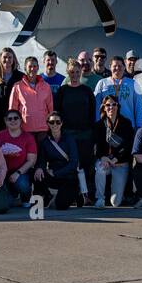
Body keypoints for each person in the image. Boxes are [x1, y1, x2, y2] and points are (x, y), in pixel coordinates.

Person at [56, 58, 96, 205]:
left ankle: (87, 195)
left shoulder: (86, 91)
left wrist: (92, 134)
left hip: (85, 134)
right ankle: (72, 195)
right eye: (72, 72)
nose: (74, 75)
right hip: (67, 134)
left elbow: (92, 114)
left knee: (86, 166)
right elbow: (57, 113)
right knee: (72, 166)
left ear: (81, 73)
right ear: (67, 72)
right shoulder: (62, 91)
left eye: (77, 72)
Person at [93, 95, 135, 208]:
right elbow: (96, 145)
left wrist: (116, 158)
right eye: (108, 105)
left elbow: (128, 145)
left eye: (113, 104)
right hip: (105, 161)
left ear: (118, 106)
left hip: (120, 163)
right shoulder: (99, 125)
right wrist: (103, 157)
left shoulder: (126, 123)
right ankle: (100, 198)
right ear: (104, 108)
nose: (111, 107)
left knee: (115, 203)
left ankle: (115, 196)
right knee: (100, 169)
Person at [34, 113, 80, 210]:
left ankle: (76, 194)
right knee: (35, 174)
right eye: (52, 122)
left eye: (58, 122)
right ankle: (48, 196)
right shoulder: (45, 142)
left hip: (68, 177)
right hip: (53, 175)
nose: (55, 124)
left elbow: (73, 163)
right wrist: (39, 168)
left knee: (61, 206)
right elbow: (41, 160)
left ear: (62, 123)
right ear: (48, 124)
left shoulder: (69, 139)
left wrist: (56, 173)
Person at [0, 109, 38, 206]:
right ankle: (13, 194)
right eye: (9, 119)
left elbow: (31, 160)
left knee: (23, 185)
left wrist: (18, 173)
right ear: (5, 121)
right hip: (3, 173)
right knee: (4, 204)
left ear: (21, 120)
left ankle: (25, 197)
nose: (13, 121)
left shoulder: (28, 137)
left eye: (16, 118)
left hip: (21, 173)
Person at [93, 55, 142, 130]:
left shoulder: (133, 84)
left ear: (124, 67)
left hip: (128, 126)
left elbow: (139, 106)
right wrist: (98, 123)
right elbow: (97, 106)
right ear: (110, 67)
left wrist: (139, 126)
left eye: (120, 66)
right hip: (107, 127)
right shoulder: (102, 83)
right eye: (114, 66)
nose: (117, 68)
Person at [9, 55, 55, 139]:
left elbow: (50, 108)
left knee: (42, 152)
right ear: (25, 68)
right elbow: (13, 109)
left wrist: (51, 125)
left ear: (37, 68)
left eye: (34, 66)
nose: (32, 69)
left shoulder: (46, 86)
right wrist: (14, 127)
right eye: (30, 66)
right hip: (25, 128)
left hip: (43, 129)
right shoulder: (17, 86)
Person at [0, 48, 24, 125]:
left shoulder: (21, 77)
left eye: (10, 57)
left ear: (14, 59)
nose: (7, 60)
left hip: (15, 117)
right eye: (5, 57)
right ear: (0, 59)